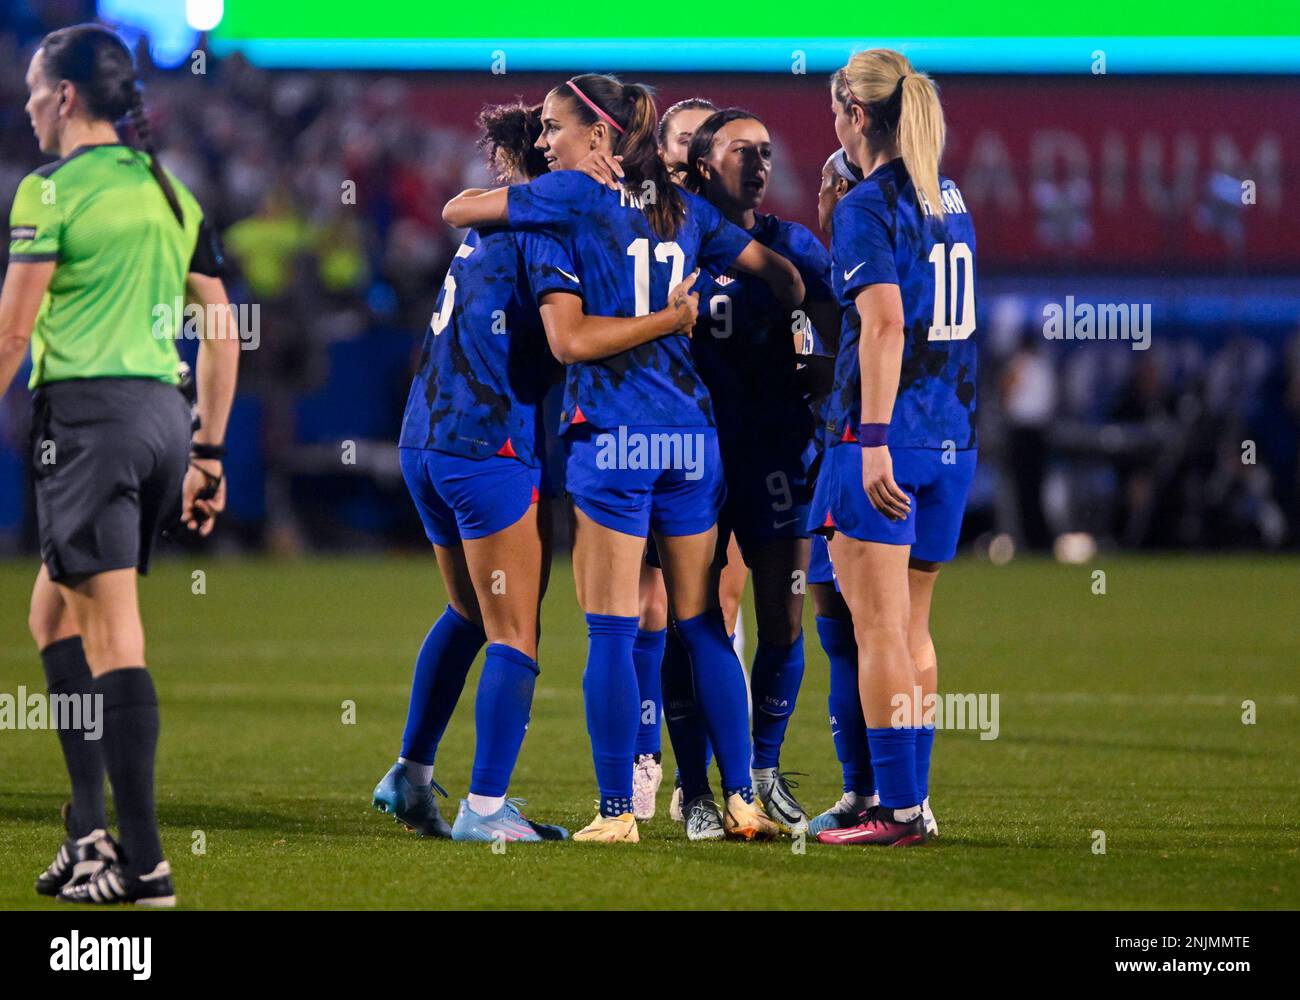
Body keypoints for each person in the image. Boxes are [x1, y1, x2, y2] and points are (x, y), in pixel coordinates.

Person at [443, 73, 805, 843]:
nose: (547, 144)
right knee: (702, 622)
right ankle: (741, 799)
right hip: (690, 437)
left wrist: (656, 315)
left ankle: (617, 814)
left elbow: (460, 211)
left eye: (557, 130)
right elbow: (784, 276)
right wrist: (780, 336)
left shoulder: (573, 199)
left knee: (610, 631)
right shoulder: (683, 208)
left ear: (601, 136)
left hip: (614, 434)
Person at [372, 101, 700, 843]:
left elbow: (464, 212)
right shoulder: (547, 226)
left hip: (424, 440)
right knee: (516, 634)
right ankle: (486, 809)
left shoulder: (484, 229)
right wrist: (668, 321)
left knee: (468, 615)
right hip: (489, 445)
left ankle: (411, 774)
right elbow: (568, 339)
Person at [0, 24, 239, 903]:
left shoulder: (49, 191)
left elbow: (14, 333)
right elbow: (220, 326)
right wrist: (208, 450)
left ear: (65, 96)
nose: (26, 104)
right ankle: (89, 832)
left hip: (90, 423)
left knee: (113, 632)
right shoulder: (172, 191)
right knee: (53, 620)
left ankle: (143, 865)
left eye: (33, 88)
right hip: (163, 423)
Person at [810, 50, 977, 847]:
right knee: (911, 629)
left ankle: (898, 811)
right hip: (954, 436)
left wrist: (871, 440)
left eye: (836, 109)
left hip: (884, 436)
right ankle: (915, 799)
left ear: (857, 115)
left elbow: (883, 323)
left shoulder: (867, 207)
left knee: (874, 627)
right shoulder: (950, 195)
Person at [663, 108, 841, 837]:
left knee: (784, 619)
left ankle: (762, 773)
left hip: (773, 456)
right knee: (693, 620)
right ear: (704, 164)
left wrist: (819, 377)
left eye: (768, 151)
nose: (760, 162)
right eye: (743, 150)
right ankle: (696, 787)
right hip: (691, 457)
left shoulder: (793, 245)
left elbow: (835, 337)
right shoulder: (672, 243)